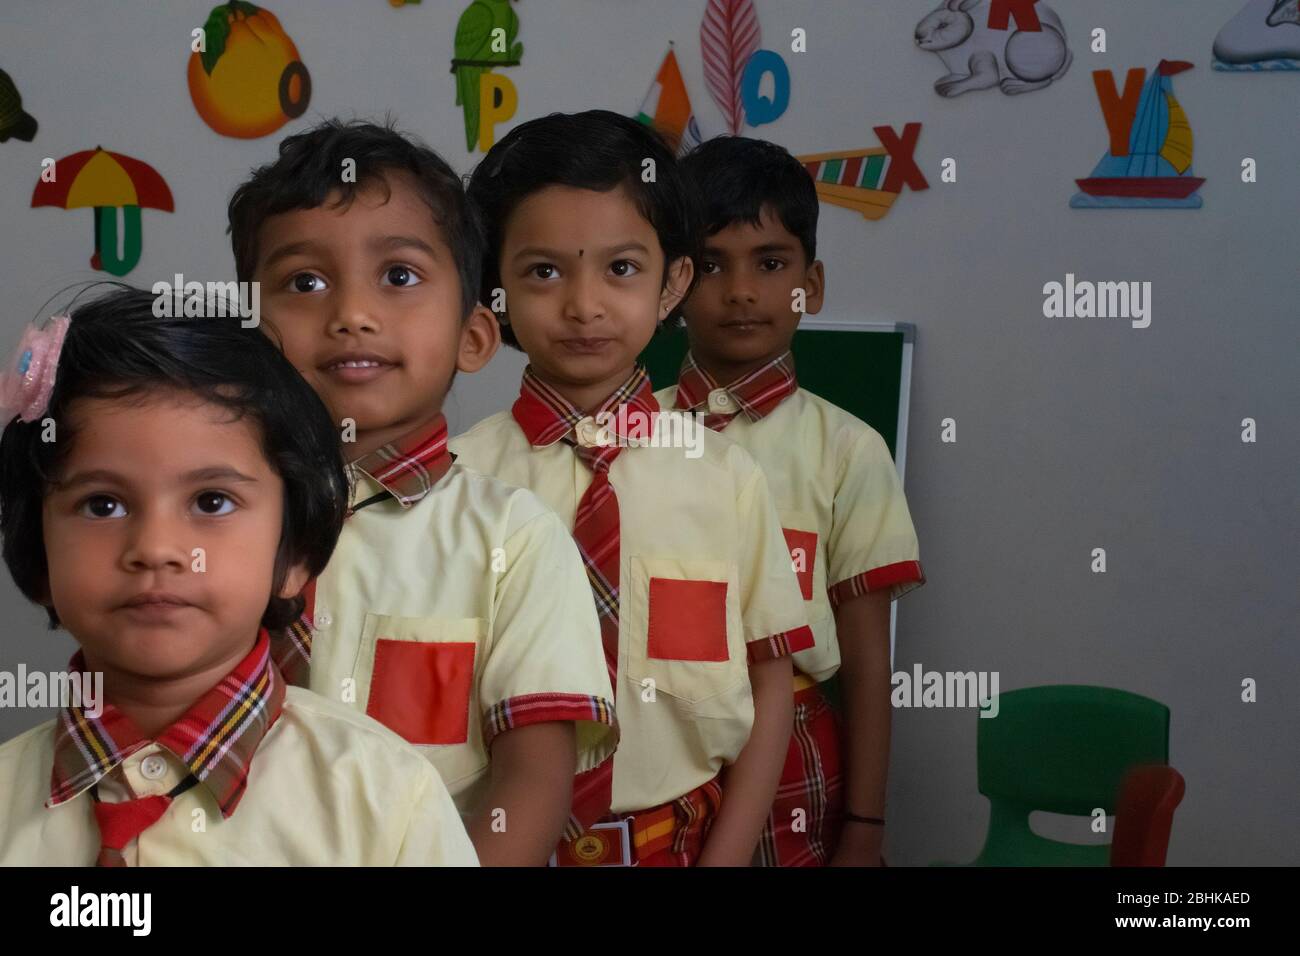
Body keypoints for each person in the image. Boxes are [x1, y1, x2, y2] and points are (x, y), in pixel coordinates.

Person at [227, 119, 616, 865]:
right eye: (304, 283)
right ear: (250, 333)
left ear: (474, 337)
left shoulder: (514, 539)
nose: (351, 314)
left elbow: (530, 781)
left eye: (399, 276)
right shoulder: (213, 520)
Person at [0, 286, 477, 865]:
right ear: (37, 550)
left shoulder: (384, 798)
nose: (156, 549)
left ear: (295, 553)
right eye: (103, 505)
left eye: (211, 502)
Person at [452, 111, 812, 866]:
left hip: (676, 847)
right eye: (544, 271)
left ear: (673, 281)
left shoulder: (726, 479)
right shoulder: (457, 484)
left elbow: (771, 691)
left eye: (621, 268)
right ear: (494, 287)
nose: (584, 305)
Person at [660, 136, 925, 866]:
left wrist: (866, 827)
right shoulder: (625, 436)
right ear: (672, 283)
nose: (742, 291)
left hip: (797, 755)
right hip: (655, 742)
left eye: (771, 264)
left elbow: (870, 660)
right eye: (711, 265)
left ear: (813, 284)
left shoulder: (848, 451)